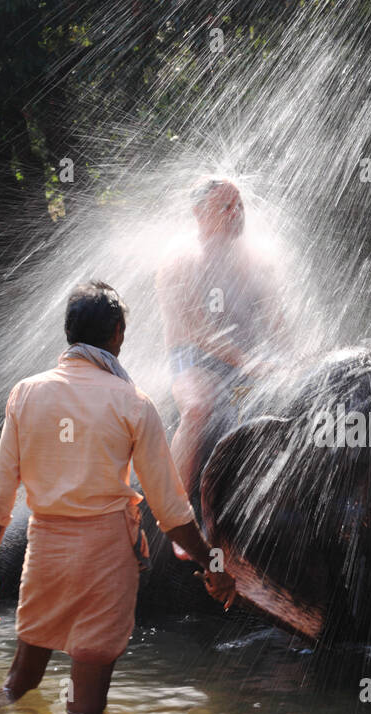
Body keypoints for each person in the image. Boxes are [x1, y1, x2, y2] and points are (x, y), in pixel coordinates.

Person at [0, 280, 235, 714]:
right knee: (86, 709)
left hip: (45, 551)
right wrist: (212, 563)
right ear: (117, 332)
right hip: (105, 557)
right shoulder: (132, 402)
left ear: (69, 333)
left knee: (20, 681)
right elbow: (170, 509)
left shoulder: (26, 394)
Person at [155, 177, 287, 490]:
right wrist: (247, 363)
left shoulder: (255, 257)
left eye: (239, 205)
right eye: (225, 206)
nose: (236, 212)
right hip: (194, 358)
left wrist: (291, 361)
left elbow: (277, 321)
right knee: (197, 407)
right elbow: (197, 330)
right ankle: (176, 512)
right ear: (199, 213)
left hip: (249, 356)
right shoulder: (182, 256)